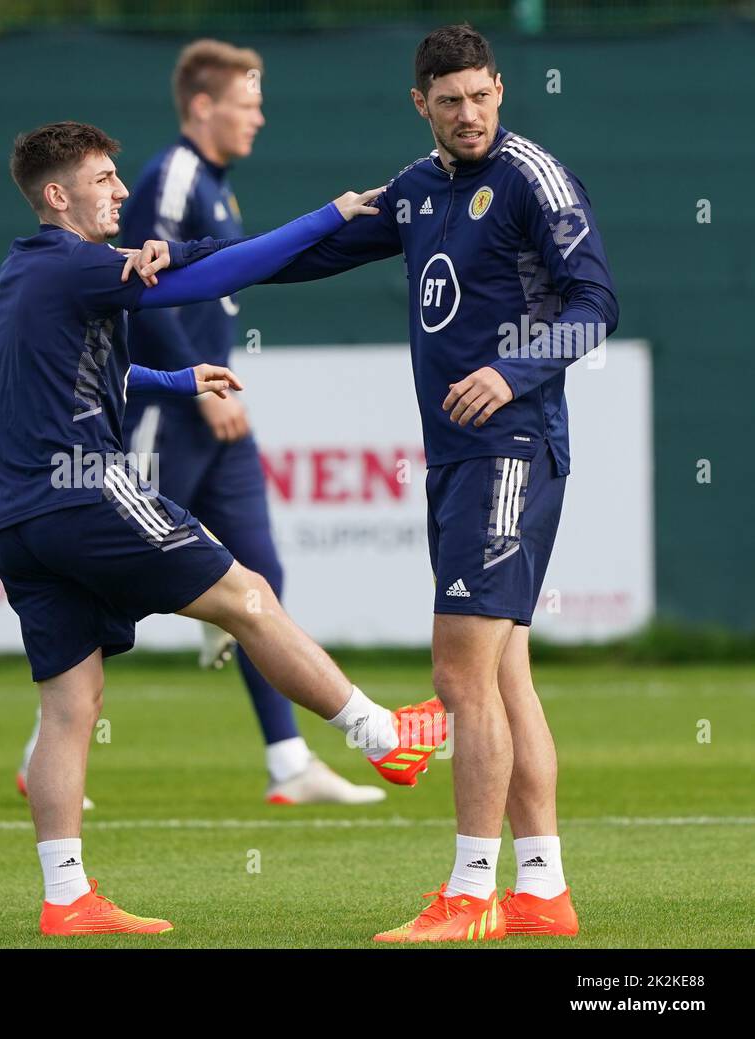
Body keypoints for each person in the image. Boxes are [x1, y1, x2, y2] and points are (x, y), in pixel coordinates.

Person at [0, 120, 446, 935]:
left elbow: (86, 361)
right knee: (249, 595)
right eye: (101, 179)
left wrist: (175, 373)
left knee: (71, 703)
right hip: (84, 490)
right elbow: (219, 273)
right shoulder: (78, 263)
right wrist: (330, 216)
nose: (120, 192)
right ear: (57, 195)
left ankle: (65, 898)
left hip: (18, 518)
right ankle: (380, 734)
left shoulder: (25, 269)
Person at [262, 24, 618, 941]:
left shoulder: (532, 177)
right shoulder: (418, 190)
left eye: (482, 95)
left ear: (501, 88)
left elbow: (596, 303)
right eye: (450, 100)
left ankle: (468, 895)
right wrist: (185, 264)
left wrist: (512, 371)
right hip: (460, 458)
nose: (470, 115)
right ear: (420, 104)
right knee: (504, 681)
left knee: (459, 676)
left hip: (512, 445)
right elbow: (311, 255)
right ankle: (541, 891)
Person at [118, 38, 383, 806]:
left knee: (262, 580)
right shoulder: (172, 173)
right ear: (203, 106)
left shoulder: (217, 185)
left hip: (219, 418)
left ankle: (289, 761)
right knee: (111, 578)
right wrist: (197, 389)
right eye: (248, 102)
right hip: (172, 412)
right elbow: (142, 283)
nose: (260, 118)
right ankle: (46, 750)